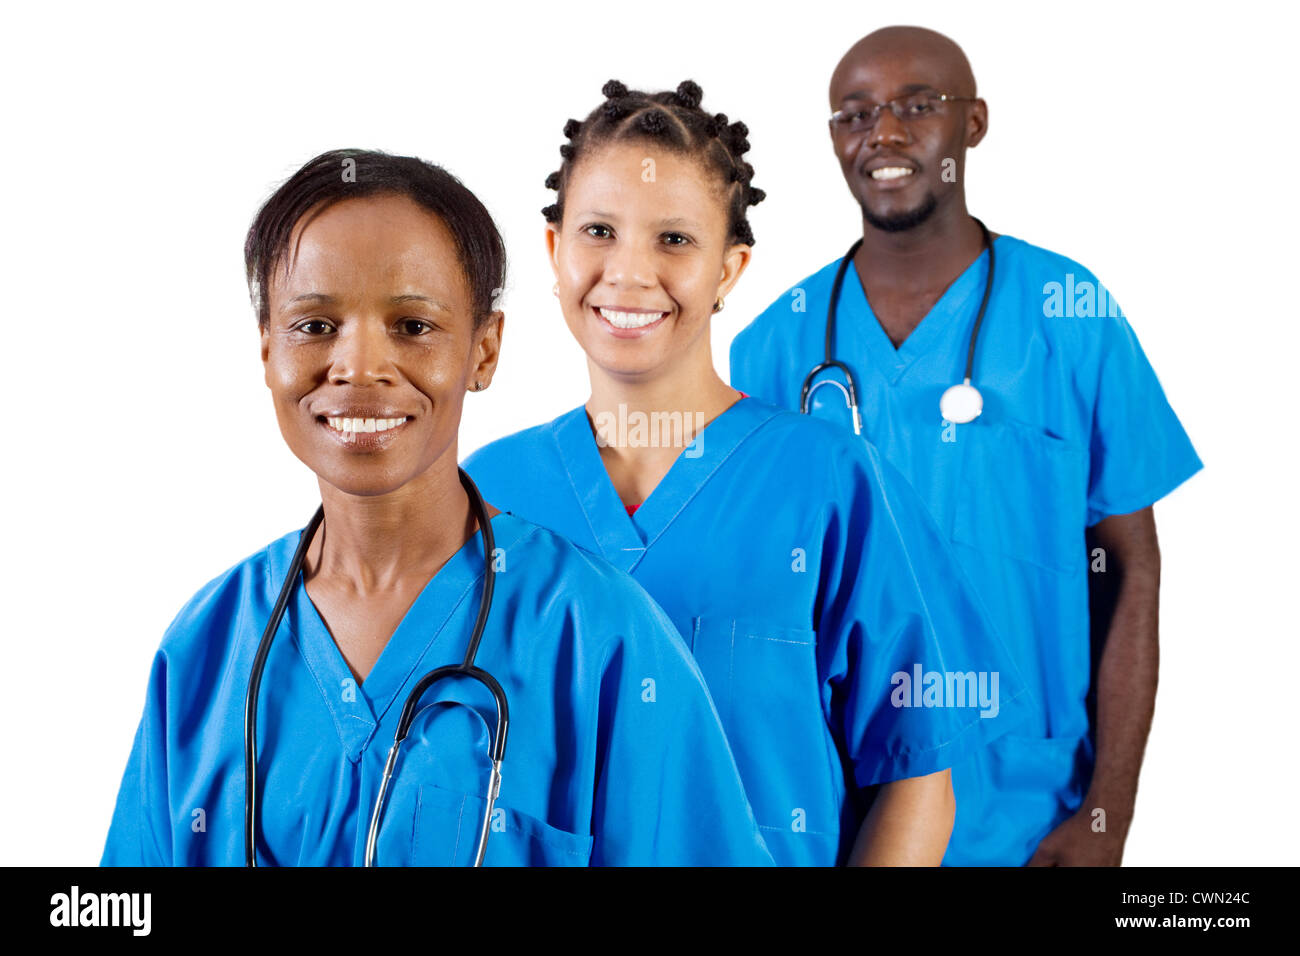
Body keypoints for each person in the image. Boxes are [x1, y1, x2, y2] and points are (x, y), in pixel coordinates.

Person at [101, 148, 773, 867]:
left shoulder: (599, 637)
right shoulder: (207, 650)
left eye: (413, 326)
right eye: (314, 326)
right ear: (267, 349)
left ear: (484, 351)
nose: (359, 366)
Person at [464, 80, 1030, 867]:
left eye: (674, 241)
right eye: (599, 230)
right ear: (555, 251)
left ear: (730, 270)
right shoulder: (486, 494)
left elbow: (917, 780)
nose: (628, 273)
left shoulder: (829, 481)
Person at [730, 27, 1202, 866]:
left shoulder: (1069, 312)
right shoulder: (774, 346)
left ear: (974, 123)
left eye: (918, 105)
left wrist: (1108, 814)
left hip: (1030, 819)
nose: (884, 133)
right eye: (855, 113)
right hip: (840, 820)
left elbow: (1130, 570)